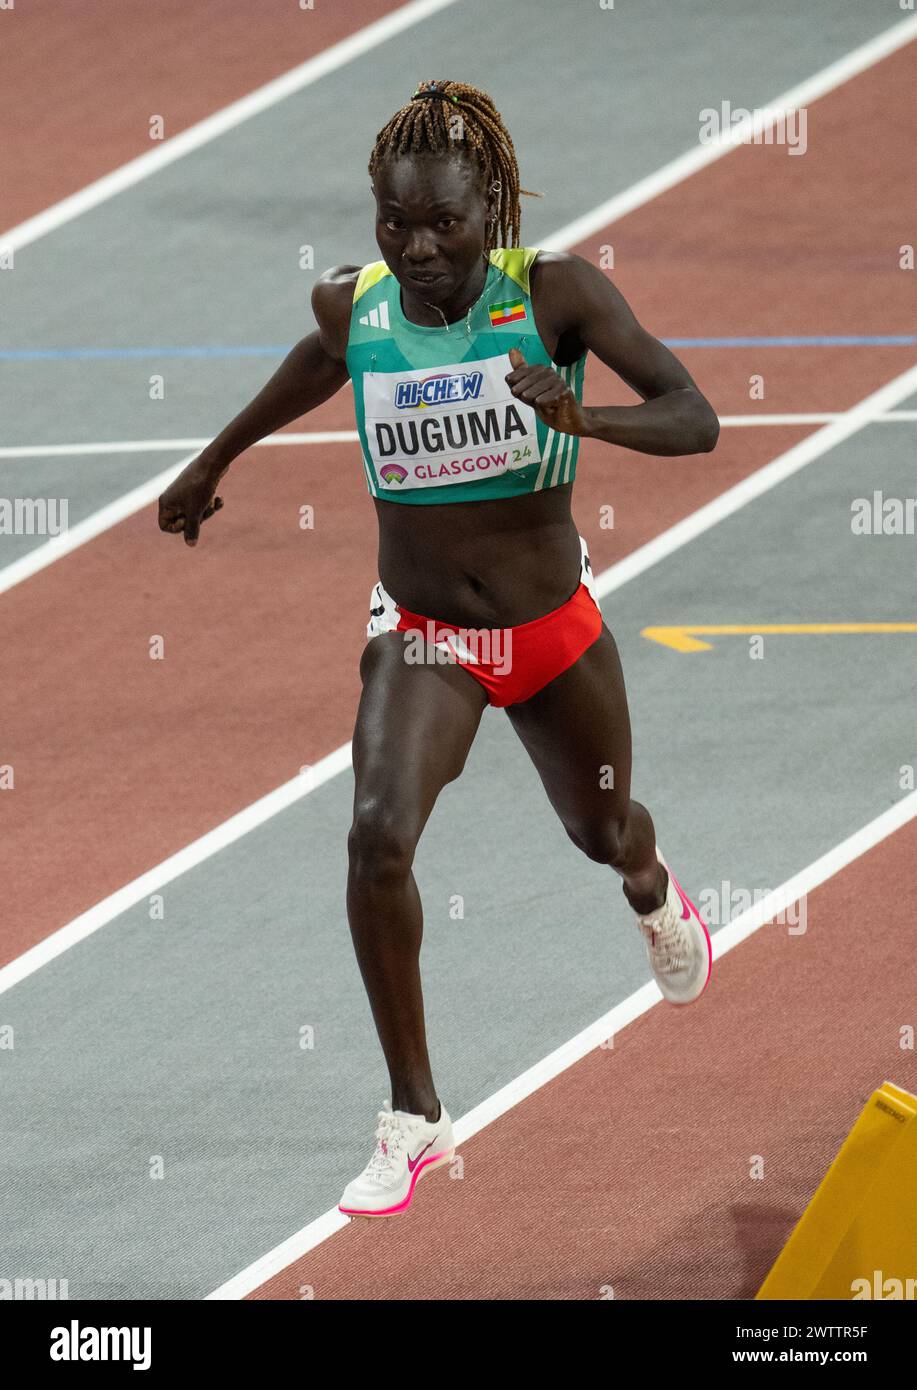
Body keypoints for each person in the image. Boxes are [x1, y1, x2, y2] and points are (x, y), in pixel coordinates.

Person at [159, 79, 718, 1221]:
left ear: (493, 207)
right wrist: (214, 460)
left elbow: (692, 412)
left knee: (601, 827)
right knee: (375, 834)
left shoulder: (553, 297)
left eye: (444, 224)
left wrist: (586, 419)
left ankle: (653, 893)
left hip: (551, 629)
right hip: (423, 636)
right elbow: (320, 364)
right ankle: (413, 1113)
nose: (417, 249)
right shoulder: (351, 307)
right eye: (395, 223)